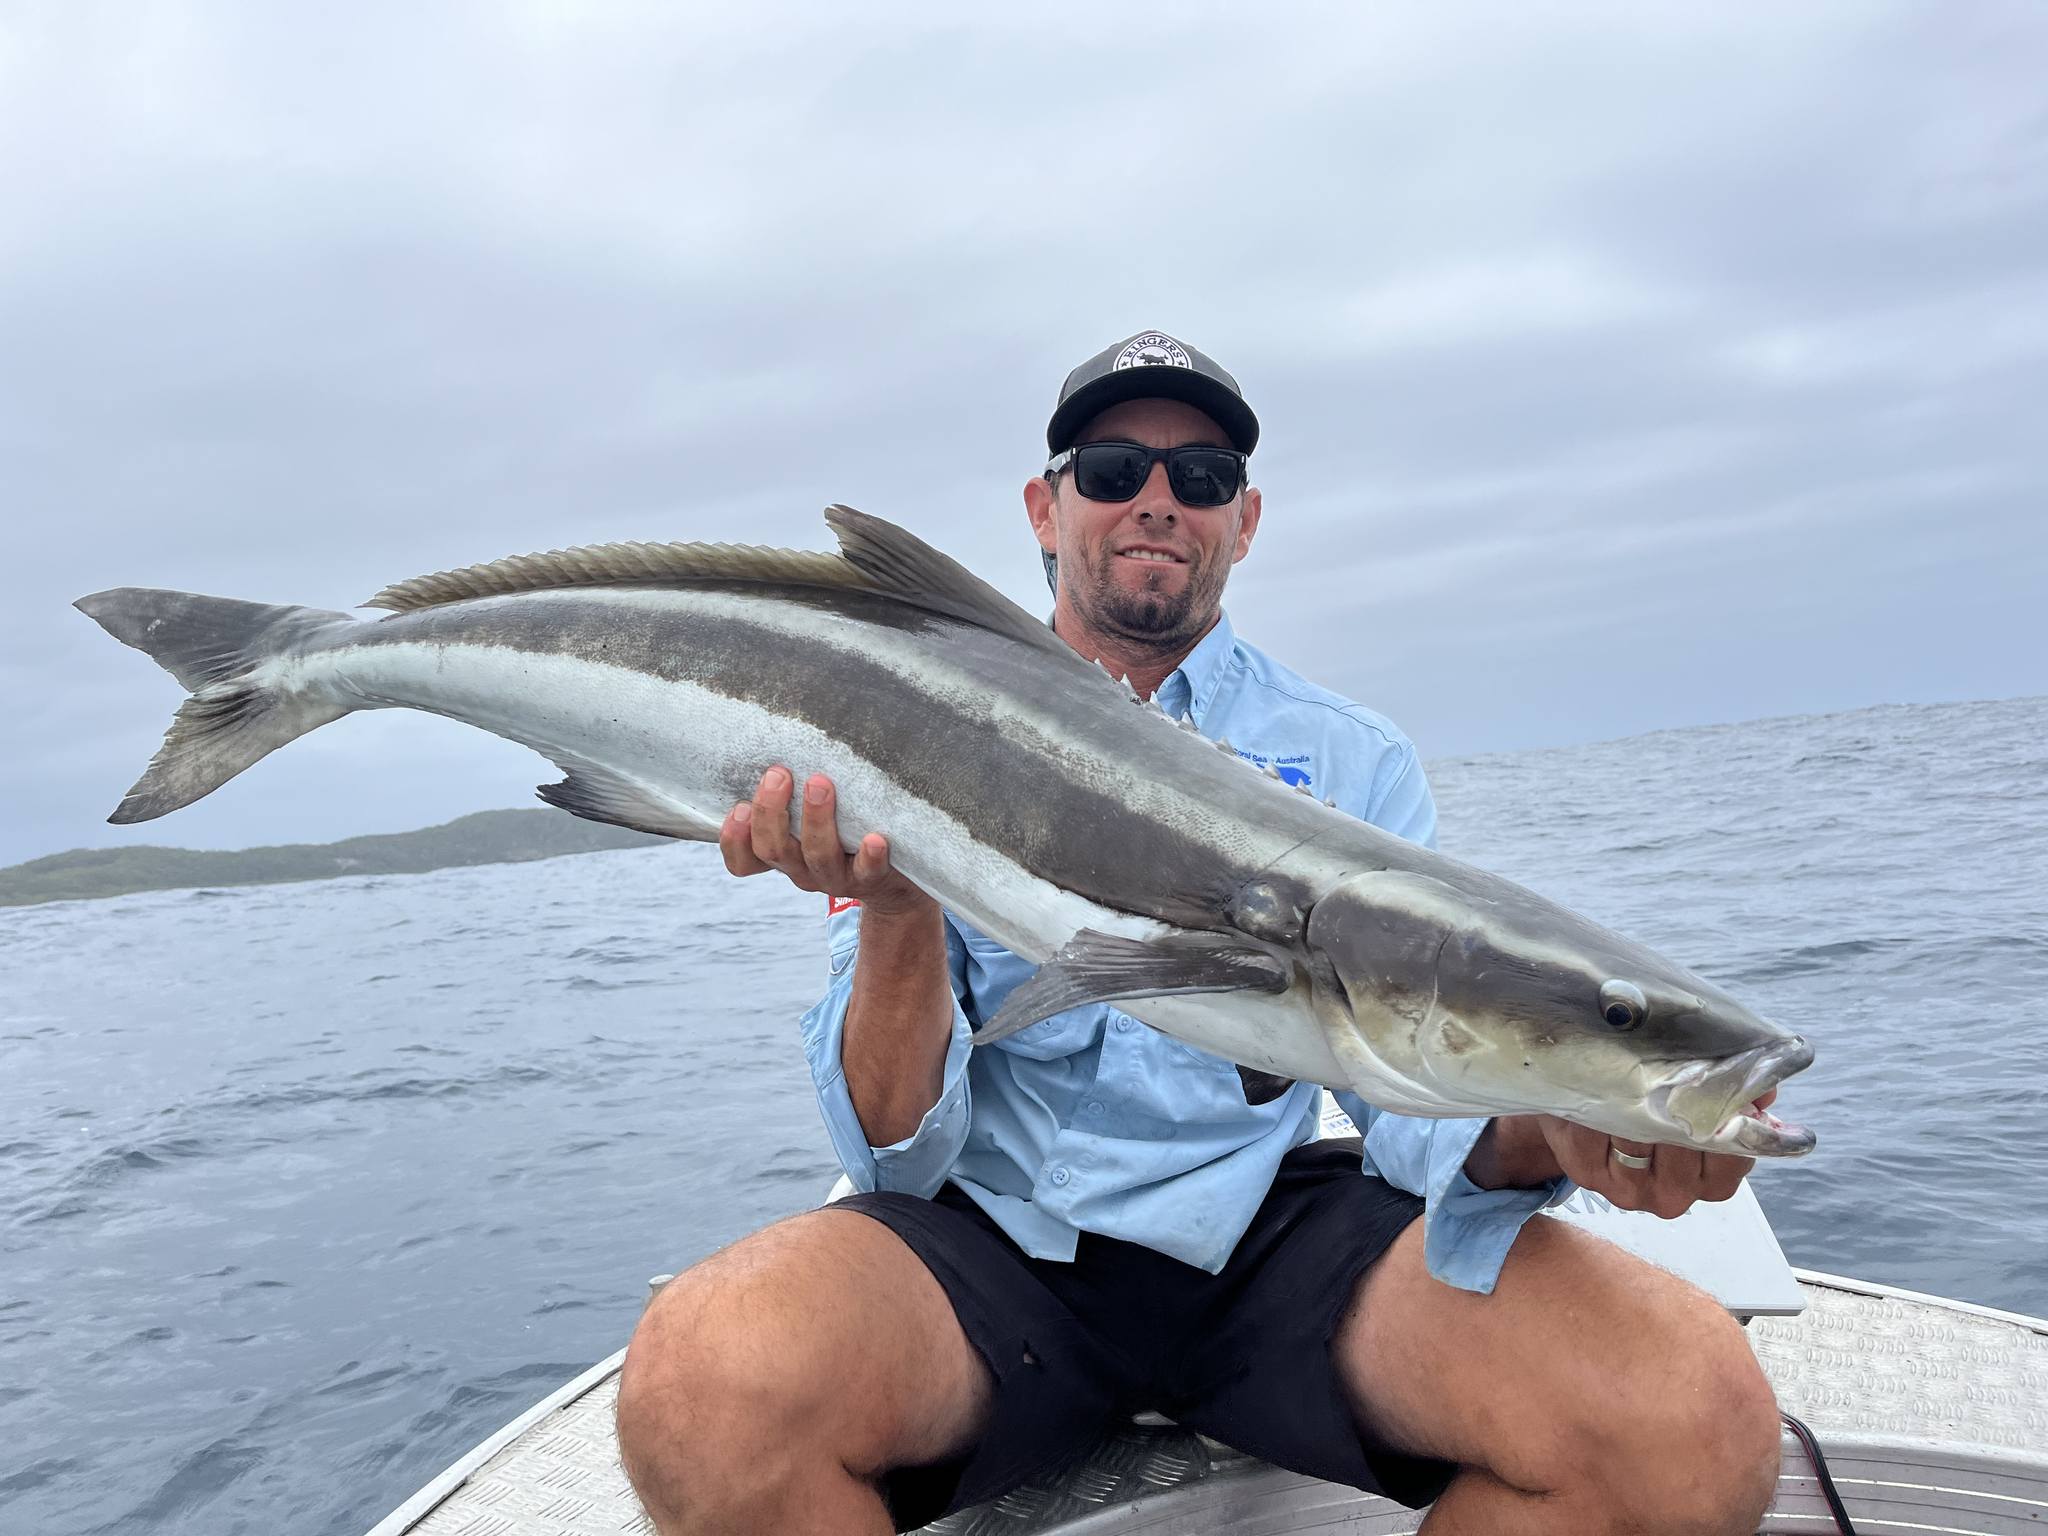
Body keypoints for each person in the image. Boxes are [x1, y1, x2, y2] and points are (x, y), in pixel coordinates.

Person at [616, 331, 1783, 1535]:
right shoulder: (911, 719)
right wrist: (898, 906)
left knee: (1689, 1423)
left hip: (1264, 1236)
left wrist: (1550, 1130)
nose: (1158, 503)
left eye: (1203, 478)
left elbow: (1411, 1109)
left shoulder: (1347, 758)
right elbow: (893, 1157)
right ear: (1044, 505)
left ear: (1245, 518)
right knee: (701, 1388)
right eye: (1114, 469)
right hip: (996, 1245)